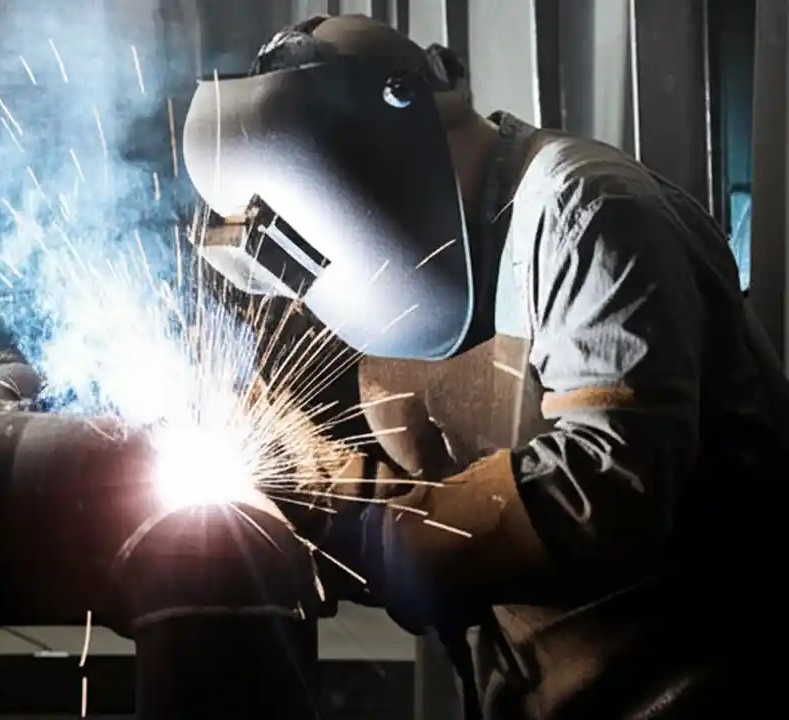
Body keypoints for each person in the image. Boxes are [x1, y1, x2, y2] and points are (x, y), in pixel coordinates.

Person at [182, 13, 788, 720]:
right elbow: (423, 490)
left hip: (708, 690)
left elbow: (606, 492)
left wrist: (348, 510)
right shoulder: (397, 268)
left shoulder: (587, 212)